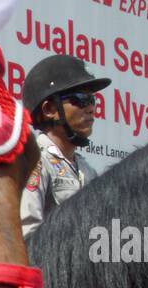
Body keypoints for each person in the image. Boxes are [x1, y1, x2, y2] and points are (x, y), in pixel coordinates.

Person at [20, 55, 111, 238]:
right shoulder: (35, 162)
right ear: (49, 110)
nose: (91, 108)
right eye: (80, 99)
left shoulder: (87, 170)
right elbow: (28, 235)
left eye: (92, 100)